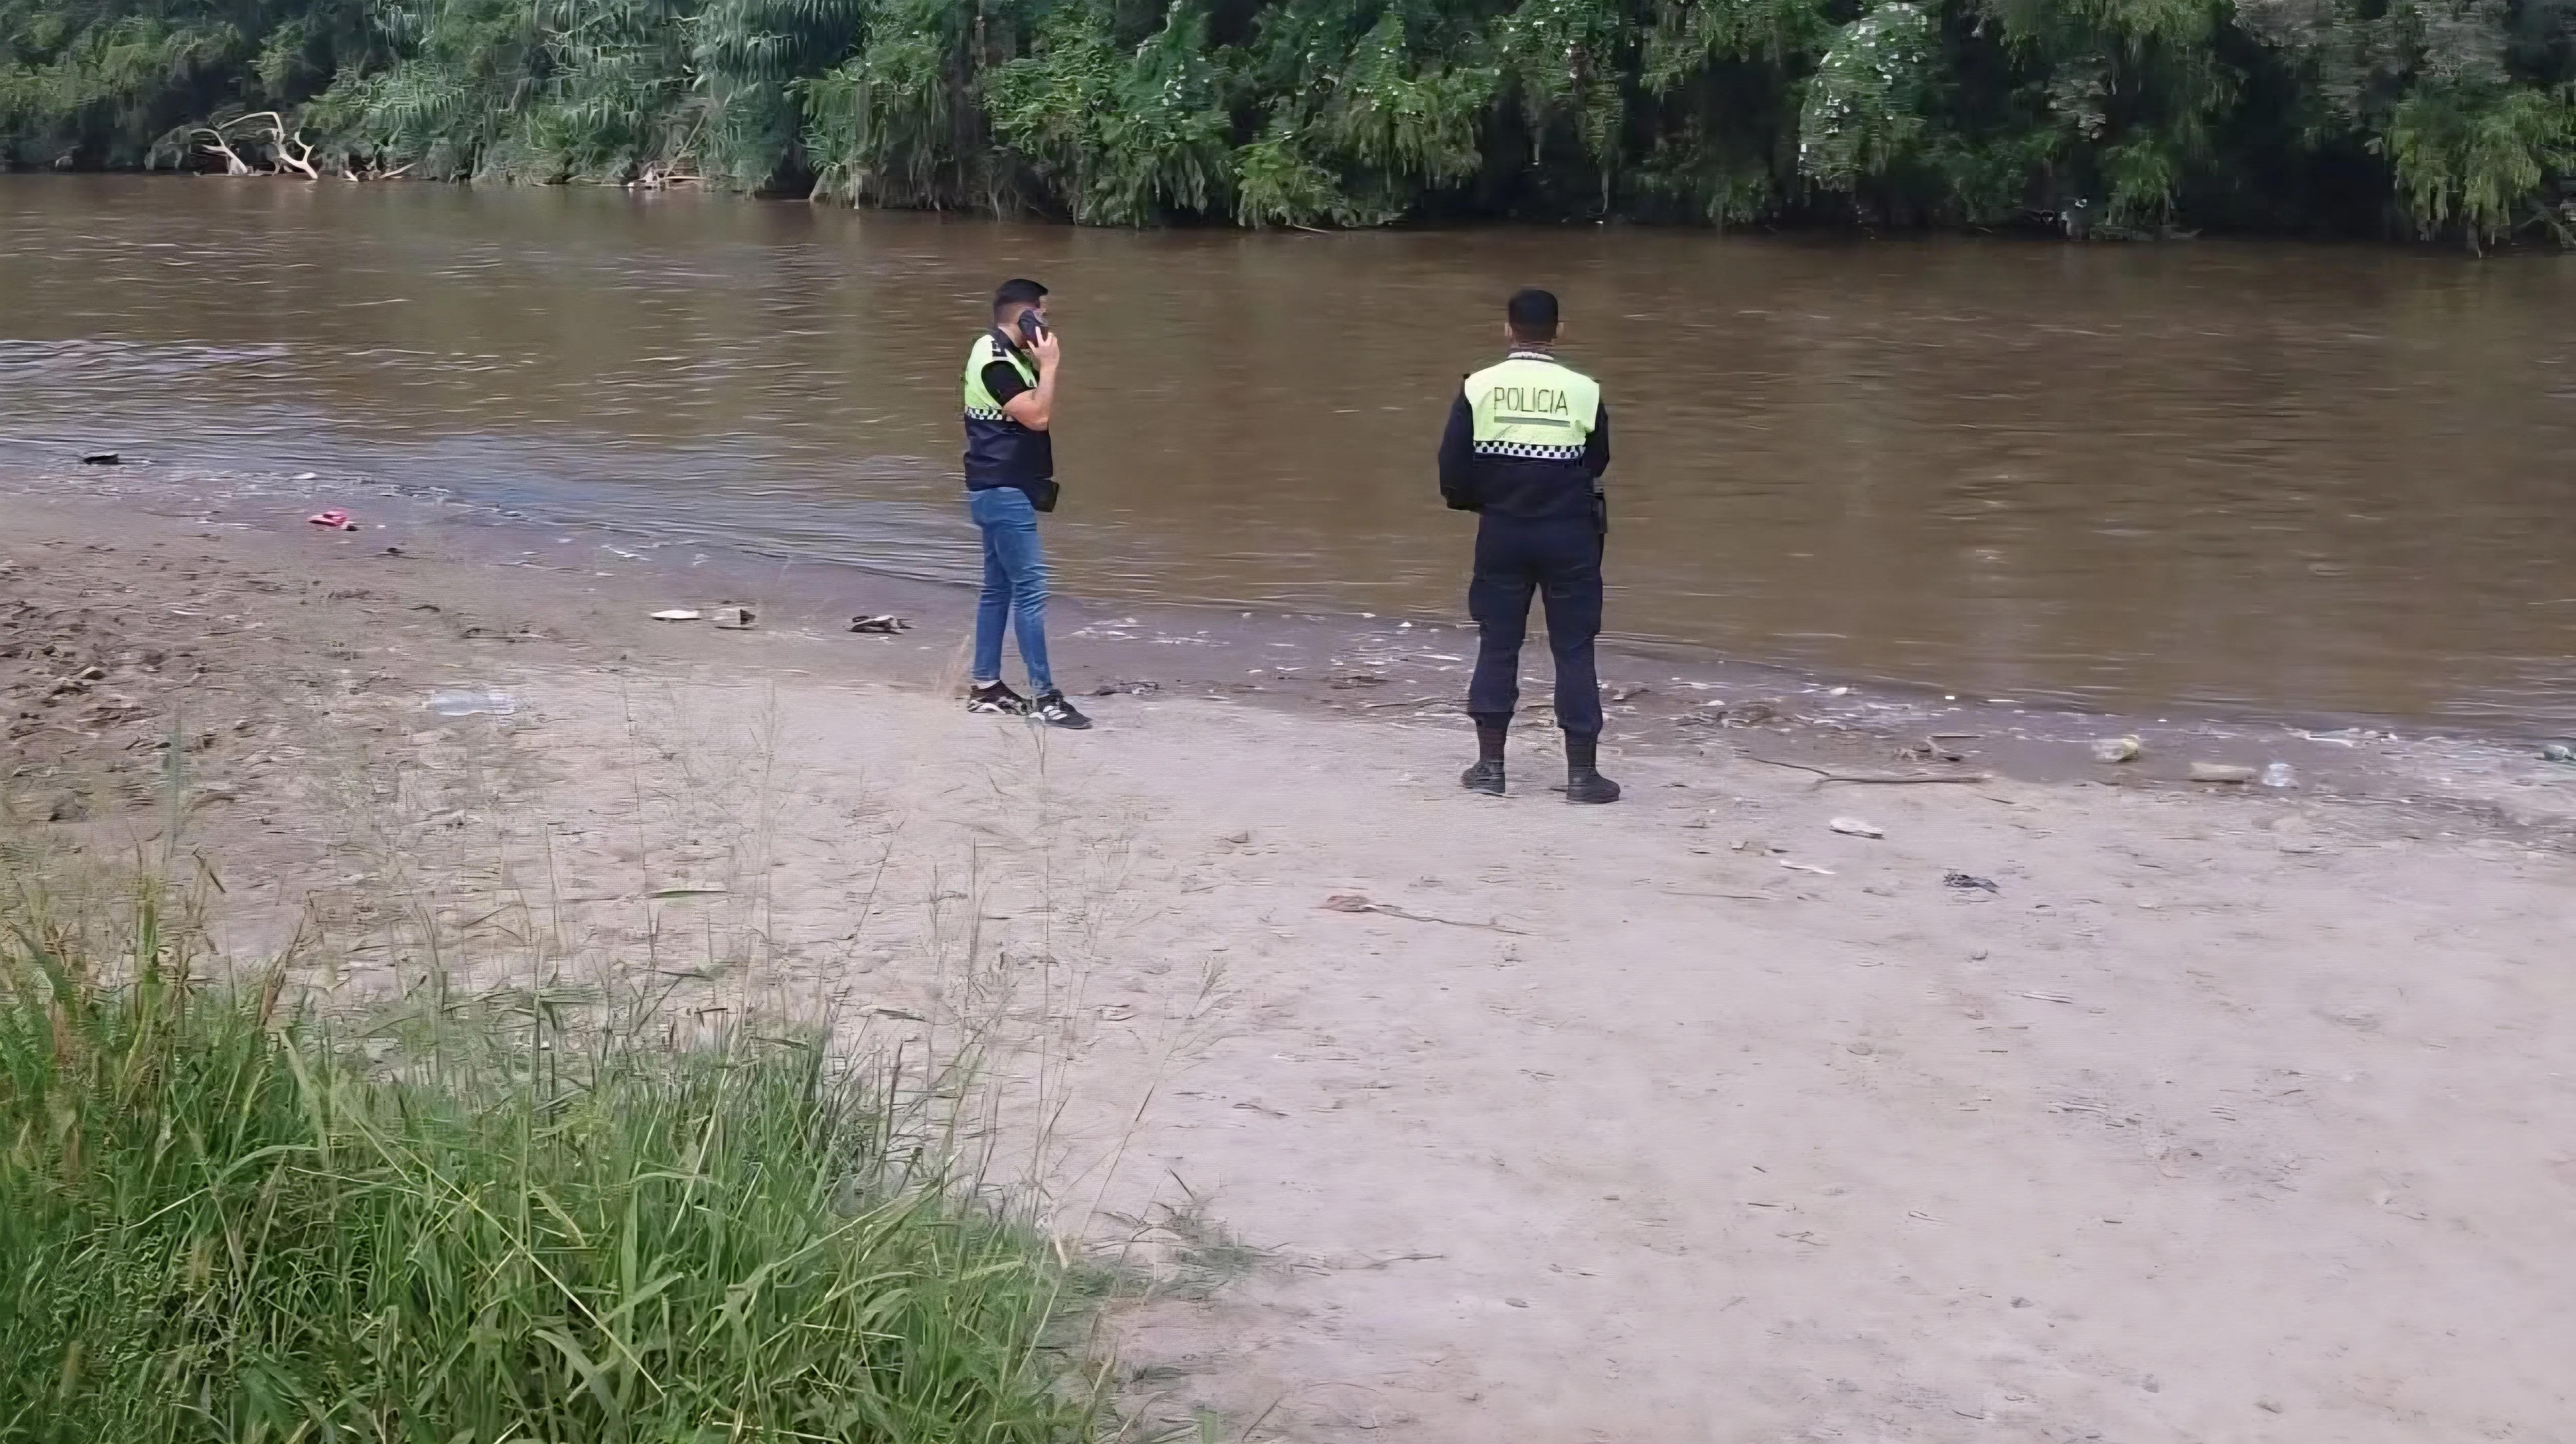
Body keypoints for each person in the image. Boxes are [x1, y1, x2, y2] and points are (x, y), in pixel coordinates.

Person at [1438, 287, 1618, 803]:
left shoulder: (1479, 386)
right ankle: (1583, 776)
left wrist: (1476, 502)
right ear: (1559, 332)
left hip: (1503, 532)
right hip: (1571, 535)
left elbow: (1453, 465)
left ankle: (1490, 768)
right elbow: (1597, 458)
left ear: (1506, 329)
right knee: (1574, 648)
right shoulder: (1584, 389)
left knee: (1498, 643)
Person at [961, 277, 1089, 728]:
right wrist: (1050, 366)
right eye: (1044, 314)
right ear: (1026, 317)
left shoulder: (997, 352)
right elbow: (1038, 416)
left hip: (995, 488)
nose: (1048, 323)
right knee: (1031, 590)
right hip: (1003, 491)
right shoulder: (997, 362)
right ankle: (1045, 696)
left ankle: (985, 687)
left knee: (998, 590)